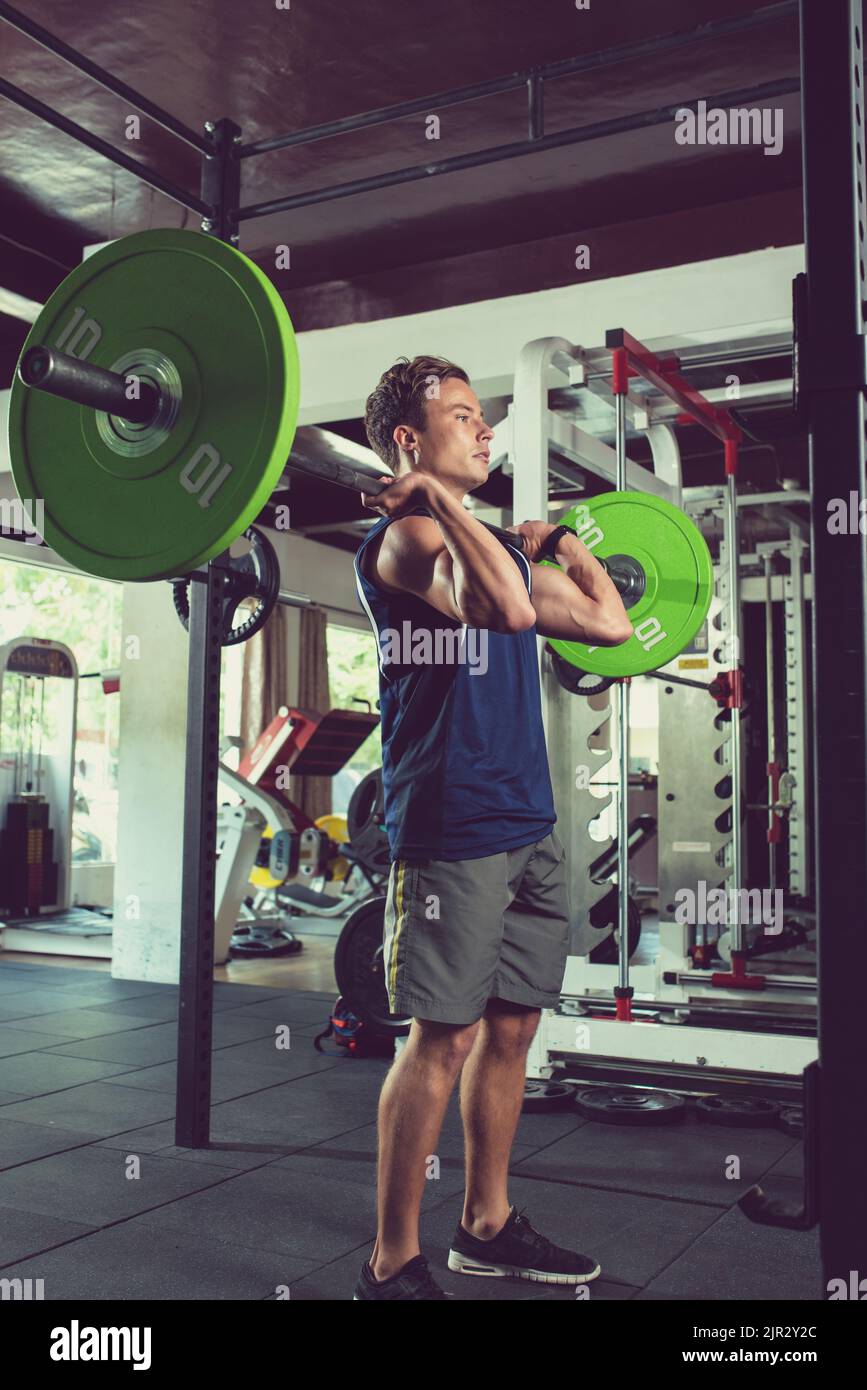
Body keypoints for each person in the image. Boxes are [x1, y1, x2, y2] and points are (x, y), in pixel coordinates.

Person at [351, 355, 632, 1301]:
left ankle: (486, 1223)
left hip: (528, 818)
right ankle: (392, 1261)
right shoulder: (402, 546)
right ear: (408, 441)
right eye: (464, 418)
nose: (484, 433)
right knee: (442, 1040)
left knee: (513, 1027)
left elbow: (609, 623)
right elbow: (508, 611)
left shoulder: (495, 546)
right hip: (452, 823)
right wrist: (438, 502)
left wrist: (562, 543)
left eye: (483, 419)